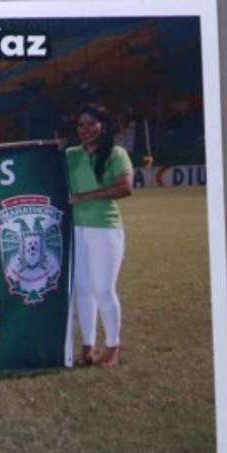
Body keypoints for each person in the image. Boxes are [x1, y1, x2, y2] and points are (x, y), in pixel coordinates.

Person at [65, 103, 134, 367]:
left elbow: (125, 188)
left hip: (104, 229)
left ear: (103, 126)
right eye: (81, 125)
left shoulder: (116, 154)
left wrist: (86, 197)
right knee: (82, 289)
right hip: (77, 229)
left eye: (91, 124)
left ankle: (113, 346)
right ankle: (88, 345)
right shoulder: (72, 154)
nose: (86, 130)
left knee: (103, 289)